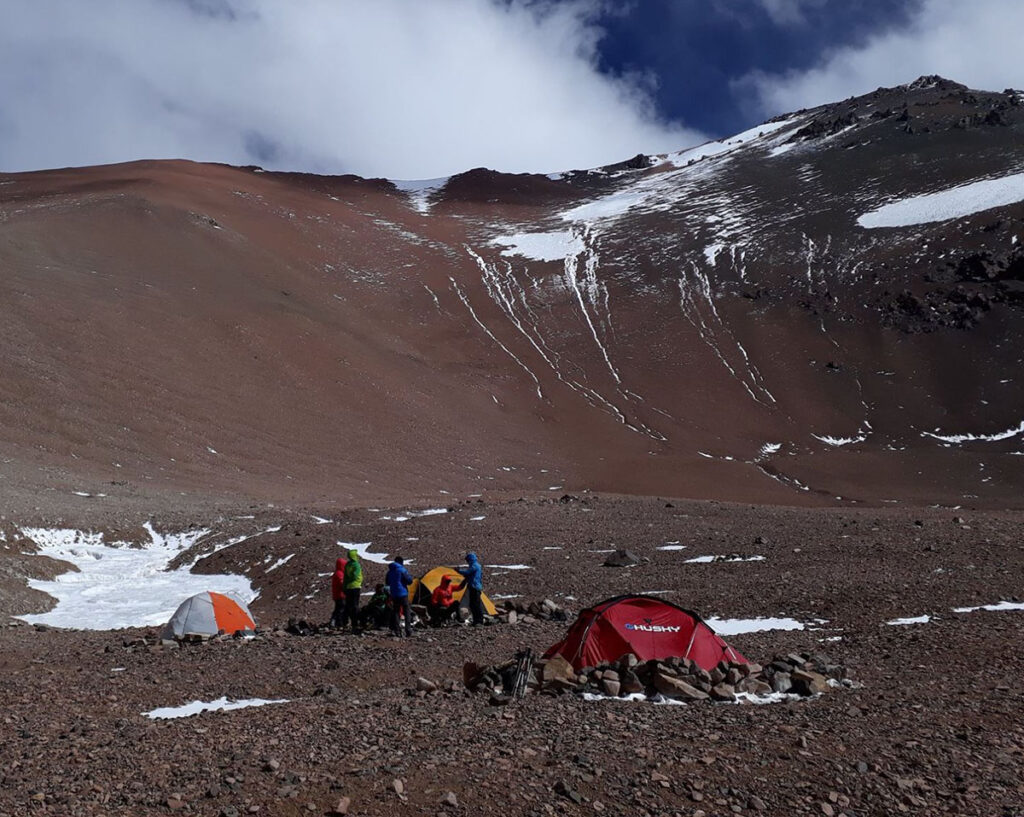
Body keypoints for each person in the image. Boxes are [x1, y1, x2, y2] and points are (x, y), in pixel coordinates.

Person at [386, 556, 414, 637]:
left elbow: (387, 582)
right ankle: (408, 630)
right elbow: (409, 581)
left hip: (394, 593)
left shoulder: (390, 571)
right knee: (406, 611)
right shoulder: (402, 570)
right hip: (403, 593)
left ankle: (397, 630)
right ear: (401, 562)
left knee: (396, 611)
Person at [457, 552, 485, 626]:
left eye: (467, 560)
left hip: (474, 587)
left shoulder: (475, 566)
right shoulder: (476, 565)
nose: (467, 562)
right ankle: (476, 620)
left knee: (476, 604)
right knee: (473, 604)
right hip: (474, 587)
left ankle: (479, 621)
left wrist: (458, 571)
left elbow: (467, 572)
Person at [342, 548, 363, 634]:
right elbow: (355, 575)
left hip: (348, 587)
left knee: (348, 605)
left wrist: (345, 586)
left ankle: (345, 622)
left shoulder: (347, 564)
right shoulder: (356, 565)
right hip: (355, 586)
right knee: (355, 605)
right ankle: (355, 624)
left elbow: (345, 577)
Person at [329, 556, 347, 628]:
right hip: (340, 595)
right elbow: (341, 583)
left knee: (338, 608)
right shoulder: (339, 574)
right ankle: (338, 623)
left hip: (337, 594)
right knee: (340, 609)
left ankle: (334, 622)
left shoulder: (337, 573)